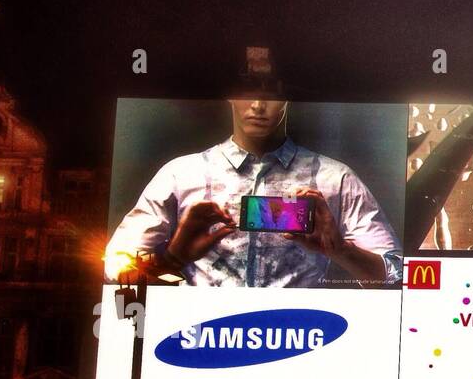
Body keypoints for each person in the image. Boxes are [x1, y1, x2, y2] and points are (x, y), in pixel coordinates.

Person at [103, 56, 401, 289]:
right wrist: (172, 258)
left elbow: (396, 272)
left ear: (288, 95)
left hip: (302, 343)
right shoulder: (181, 175)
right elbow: (115, 265)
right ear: (229, 94)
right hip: (205, 342)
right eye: (247, 89)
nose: (258, 105)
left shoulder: (335, 179)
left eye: (270, 90)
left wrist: (340, 251)